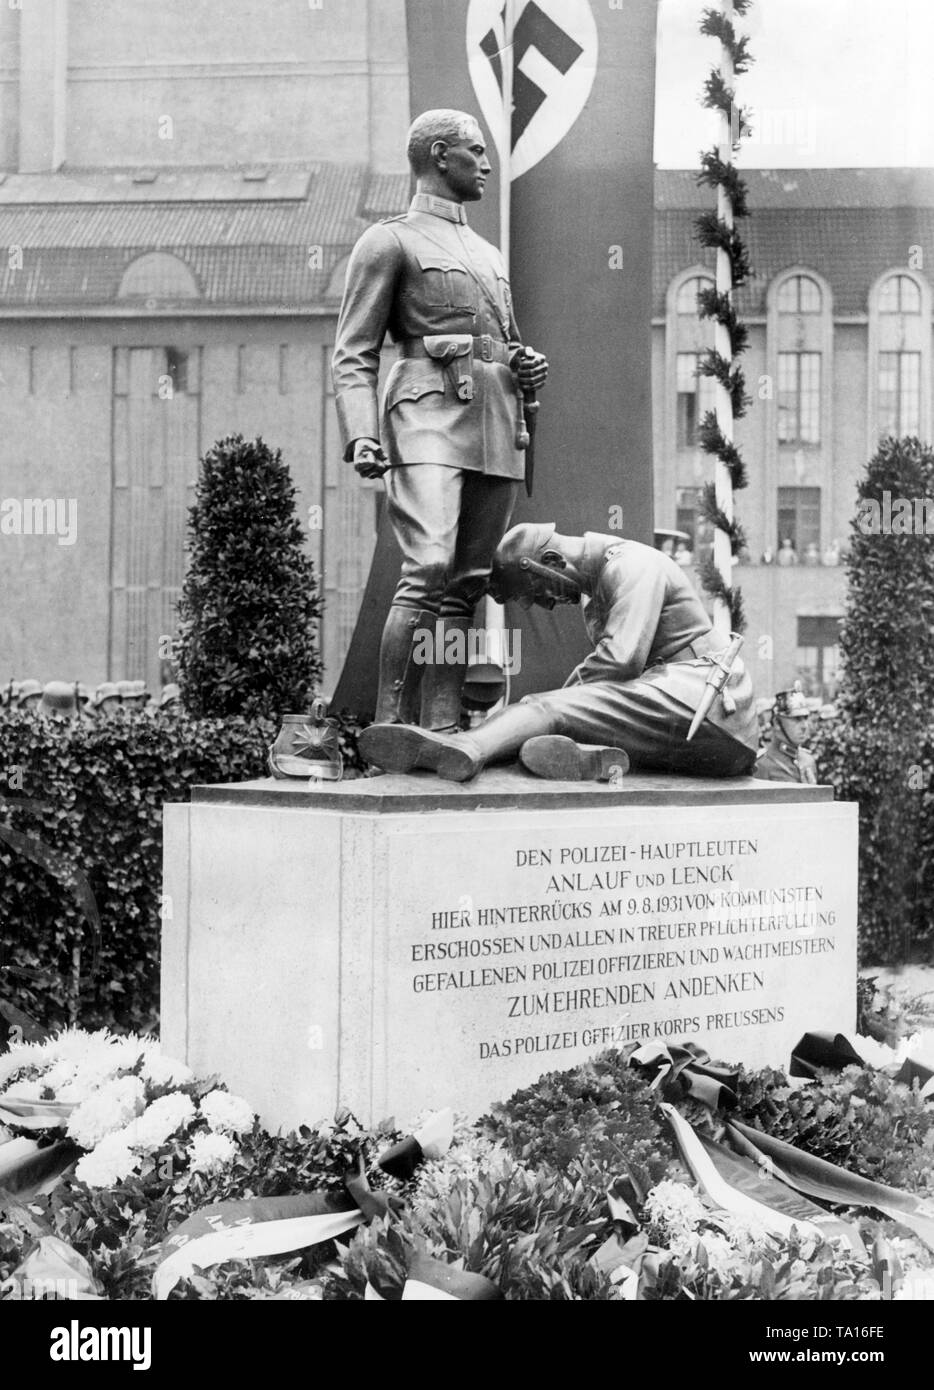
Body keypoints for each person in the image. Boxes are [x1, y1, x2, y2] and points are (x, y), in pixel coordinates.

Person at [332, 108, 548, 733]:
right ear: (438, 155)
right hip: (426, 413)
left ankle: (445, 723)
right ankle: (392, 727)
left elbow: (502, 339)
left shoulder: (488, 254)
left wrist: (523, 363)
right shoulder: (389, 240)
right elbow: (354, 351)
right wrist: (361, 434)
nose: (486, 164)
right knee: (427, 565)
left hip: (497, 418)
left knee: (468, 581)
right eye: (475, 152)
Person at [359, 523, 759, 782]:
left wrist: (553, 706)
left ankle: (466, 748)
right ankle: (594, 761)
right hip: (694, 718)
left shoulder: (633, 565)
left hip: (707, 701)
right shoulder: (600, 589)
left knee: (549, 711)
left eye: (536, 593)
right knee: (548, 727)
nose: (547, 605)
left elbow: (621, 661)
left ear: (549, 561)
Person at [754, 682, 818, 784]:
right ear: (777, 723)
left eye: (805, 718)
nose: (804, 726)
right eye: (796, 719)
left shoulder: (808, 761)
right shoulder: (762, 765)